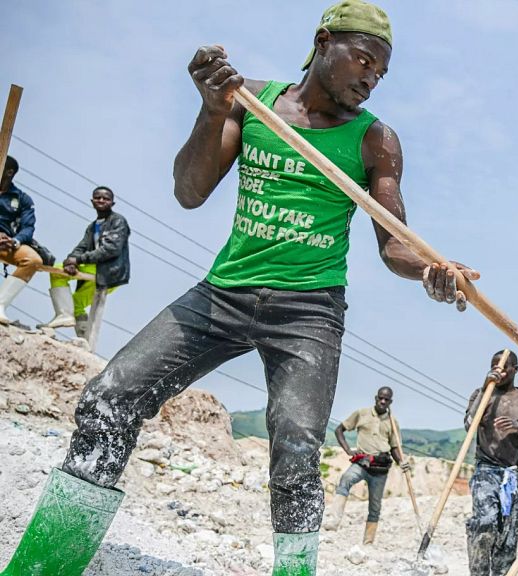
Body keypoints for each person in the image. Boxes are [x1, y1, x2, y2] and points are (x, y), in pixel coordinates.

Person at [1, 2, 479, 574]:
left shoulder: (375, 140)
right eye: (363, 60)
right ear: (323, 41)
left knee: (297, 446)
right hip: (225, 292)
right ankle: (47, 563)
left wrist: (430, 268)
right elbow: (189, 190)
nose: (370, 79)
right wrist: (212, 109)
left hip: (309, 311)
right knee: (111, 395)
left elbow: (394, 241)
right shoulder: (248, 102)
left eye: (380, 72)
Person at [464, 350, 518, 576]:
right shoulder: (481, 393)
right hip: (486, 468)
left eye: (505, 367)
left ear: (515, 369)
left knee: (508, 537)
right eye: (495, 366)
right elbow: (469, 425)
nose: (500, 371)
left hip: (514, 475)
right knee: (484, 522)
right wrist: (485, 388)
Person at [39, 186, 131, 339]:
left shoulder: (118, 221)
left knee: (58, 272)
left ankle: (64, 314)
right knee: (75, 301)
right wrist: (71, 261)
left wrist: (79, 260)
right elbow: (81, 247)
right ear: (92, 201)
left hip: (110, 270)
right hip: (94, 268)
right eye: (97, 197)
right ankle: (83, 338)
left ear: (112, 203)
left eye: (106, 198)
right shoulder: (93, 226)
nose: (101, 200)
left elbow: (111, 250)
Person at [323, 386, 410, 543]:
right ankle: (334, 522)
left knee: (375, 507)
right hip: (362, 463)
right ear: (375, 398)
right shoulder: (362, 414)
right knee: (345, 480)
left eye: (386, 399)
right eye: (380, 398)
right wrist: (349, 450)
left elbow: (395, 447)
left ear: (391, 402)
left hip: (381, 468)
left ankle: (368, 542)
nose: (383, 401)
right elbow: (339, 430)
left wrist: (401, 463)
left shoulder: (392, 422)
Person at [0, 155, 43, 325]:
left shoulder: (22, 199)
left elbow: (28, 227)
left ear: (9, 172)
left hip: (6, 242)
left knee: (33, 260)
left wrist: (15, 241)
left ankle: (0, 305)